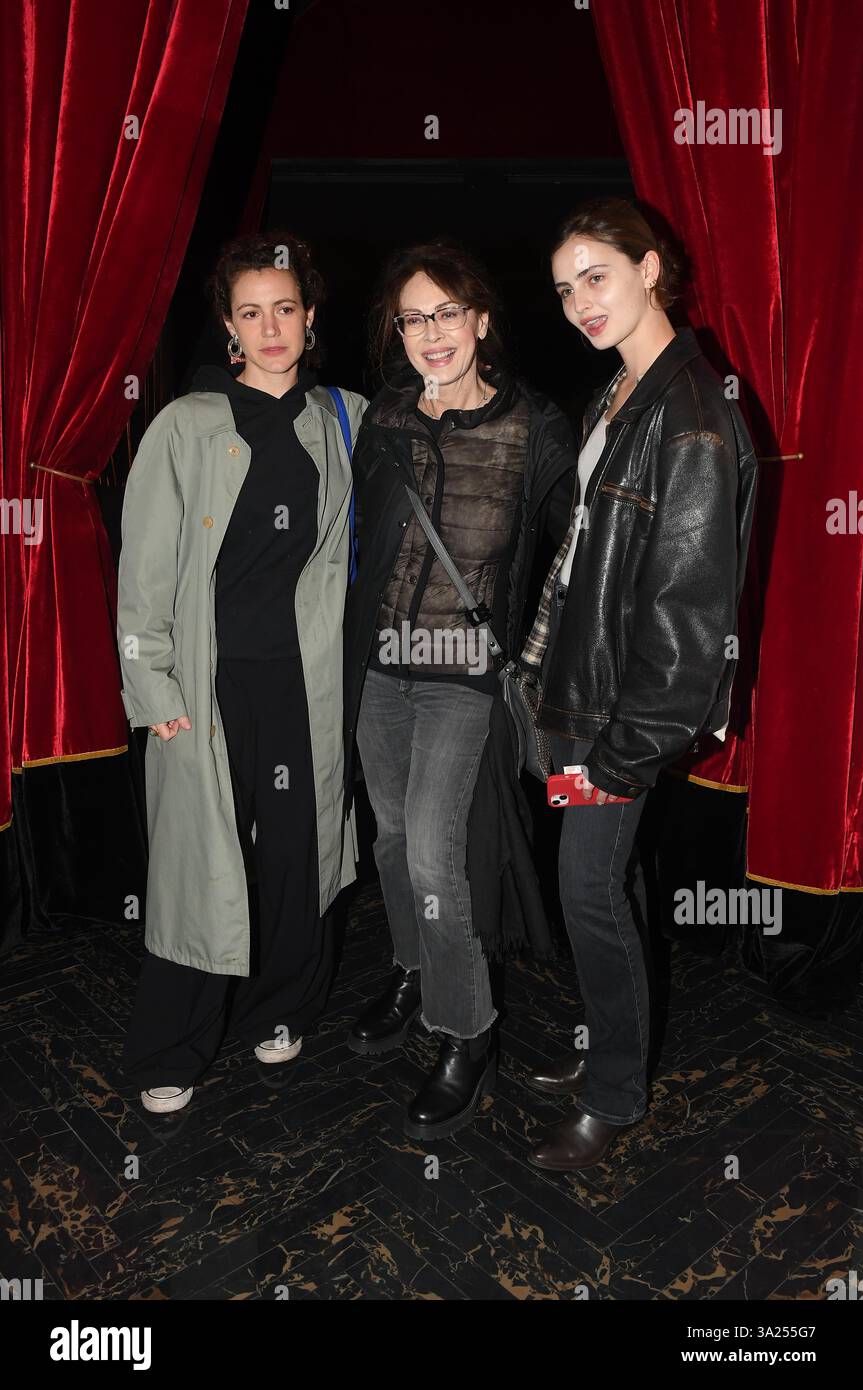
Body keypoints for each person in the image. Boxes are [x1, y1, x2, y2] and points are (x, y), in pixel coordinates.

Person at [519, 198, 757, 1170]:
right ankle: (602, 1055)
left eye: (596, 276)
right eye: (564, 288)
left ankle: (613, 1092)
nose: (580, 301)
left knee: (588, 891)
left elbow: (686, 618)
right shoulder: (618, 395)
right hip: (583, 695)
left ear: (649, 266)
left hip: (621, 715)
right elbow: (585, 560)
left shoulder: (692, 418)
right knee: (596, 890)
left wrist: (620, 756)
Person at [118, 231, 366, 1114]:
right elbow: (142, 576)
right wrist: (154, 693)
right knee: (198, 869)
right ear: (228, 326)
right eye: (251, 312)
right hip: (207, 688)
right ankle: (172, 1047)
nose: (270, 328)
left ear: (309, 319)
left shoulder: (343, 419)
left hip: (306, 684)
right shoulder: (185, 426)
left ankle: (282, 1006)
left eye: (286, 309)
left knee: (299, 854)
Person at [343, 239, 576, 1141]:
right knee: (392, 838)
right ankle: (411, 966)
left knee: (439, 858)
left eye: (448, 313)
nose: (431, 333)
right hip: (381, 669)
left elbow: (568, 562)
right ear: (395, 332)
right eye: (413, 317)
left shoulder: (537, 429)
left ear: (481, 321)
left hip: (462, 678)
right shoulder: (389, 420)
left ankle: (467, 1028)